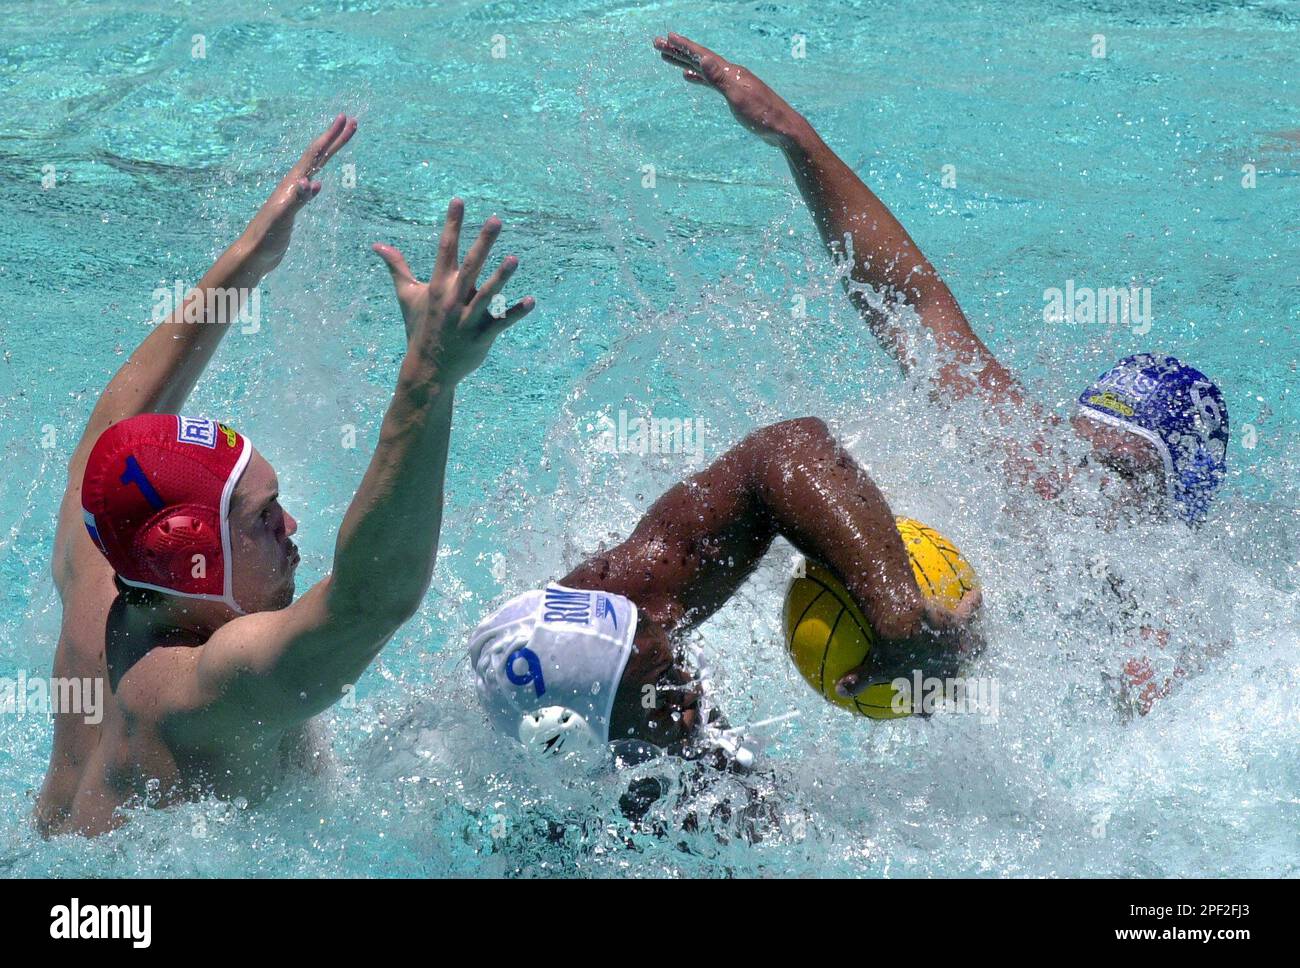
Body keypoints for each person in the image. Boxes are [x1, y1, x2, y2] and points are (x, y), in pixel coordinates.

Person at [651, 33, 1232, 711]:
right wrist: (794, 136)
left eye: (1121, 472)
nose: (1079, 481)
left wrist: (968, 662)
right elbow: (910, 304)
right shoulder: (1036, 475)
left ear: (1174, 509)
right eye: (1077, 446)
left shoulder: (1187, 643)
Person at [36, 114, 535, 836]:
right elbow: (371, 602)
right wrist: (428, 381)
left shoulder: (109, 577)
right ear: (197, 557)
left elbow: (117, 433)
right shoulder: (200, 689)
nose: (293, 526)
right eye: (266, 519)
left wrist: (250, 258)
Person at [469, 416, 982, 764]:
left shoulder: (620, 610)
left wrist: (894, 608)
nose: (690, 691)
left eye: (671, 661)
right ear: (579, 742)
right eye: (663, 694)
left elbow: (785, 452)